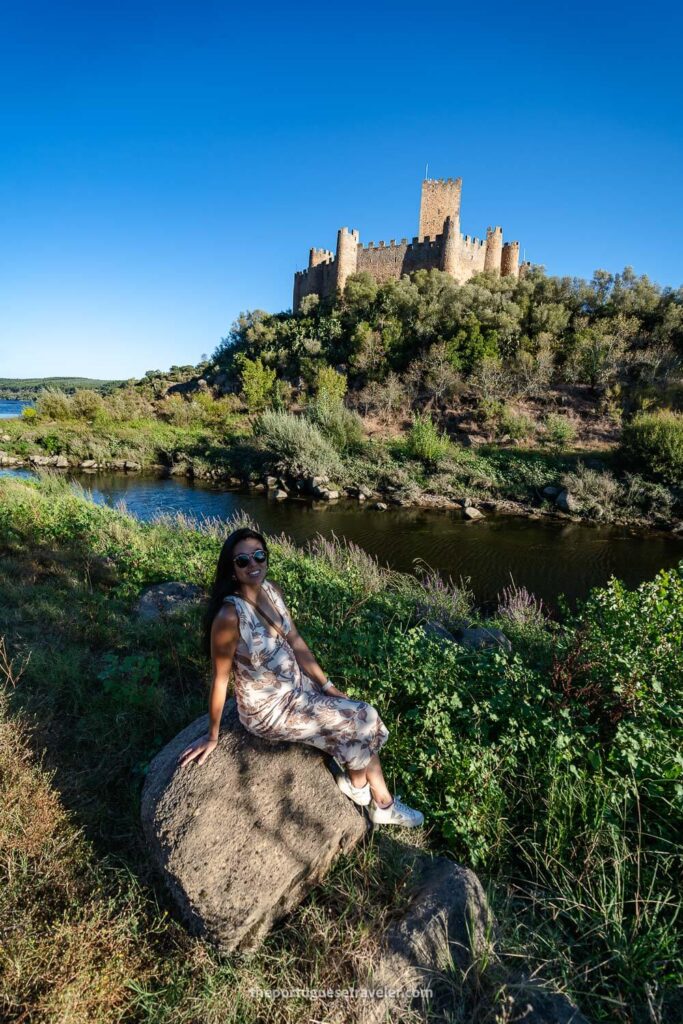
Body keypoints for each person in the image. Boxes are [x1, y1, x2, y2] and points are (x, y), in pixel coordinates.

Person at [178, 527, 423, 827]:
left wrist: (327, 685)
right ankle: (371, 796)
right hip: (270, 709)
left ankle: (369, 794)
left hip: (299, 688)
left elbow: (296, 642)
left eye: (258, 556)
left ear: (266, 558)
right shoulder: (230, 617)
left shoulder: (272, 591)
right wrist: (213, 735)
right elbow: (220, 678)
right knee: (364, 716)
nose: (253, 565)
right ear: (232, 569)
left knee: (359, 721)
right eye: (242, 561)